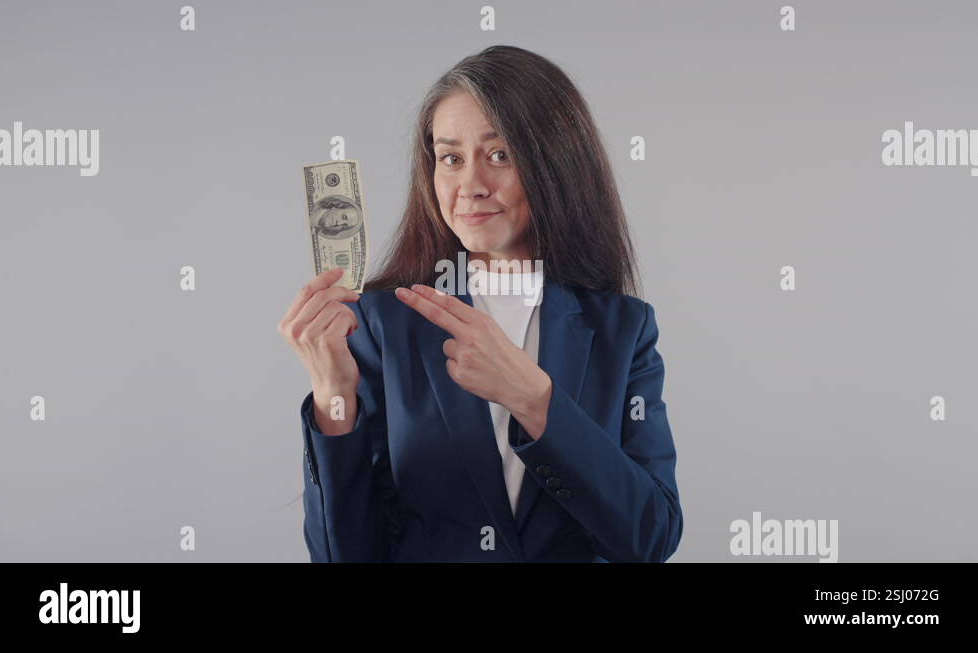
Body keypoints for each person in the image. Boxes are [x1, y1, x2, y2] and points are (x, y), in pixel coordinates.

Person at [277, 45, 683, 562]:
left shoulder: (623, 329)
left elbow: (650, 537)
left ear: (556, 163)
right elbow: (345, 556)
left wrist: (535, 399)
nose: (470, 186)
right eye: (450, 158)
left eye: (500, 155)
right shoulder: (382, 324)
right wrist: (334, 399)